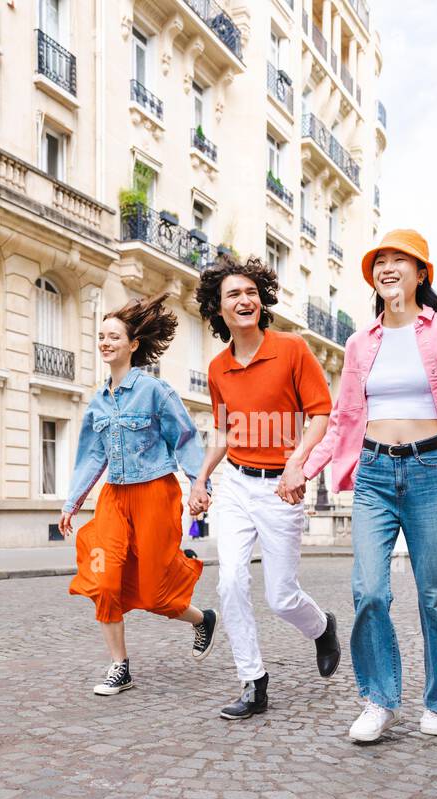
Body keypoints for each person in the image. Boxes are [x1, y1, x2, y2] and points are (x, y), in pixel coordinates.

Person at [302, 230, 437, 743]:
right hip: (375, 474)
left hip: (431, 472)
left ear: (421, 273)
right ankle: (379, 698)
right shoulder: (360, 343)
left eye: (399, 260)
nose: (387, 267)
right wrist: (305, 467)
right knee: (369, 590)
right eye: (379, 261)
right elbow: (342, 420)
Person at [189, 256, 341, 720]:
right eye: (233, 294)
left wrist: (298, 463)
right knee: (229, 581)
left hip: (281, 489)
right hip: (235, 484)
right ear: (218, 308)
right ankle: (252, 681)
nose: (244, 300)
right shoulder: (217, 368)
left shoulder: (292, 349)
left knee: (281, 596)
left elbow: (320, 414)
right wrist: (200, 479)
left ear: (262, 300)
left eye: (251, 292)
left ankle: (321, 628)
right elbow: (222, 431)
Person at [60, 293, 217, 696]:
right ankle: (119, 666)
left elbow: (184, 439)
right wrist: (72, 501)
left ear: (133, 344)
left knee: (155, 591)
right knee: (104, 579)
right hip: (115, 497)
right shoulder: (98, 400)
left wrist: (200, 485)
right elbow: (91, 455)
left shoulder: (154, 391)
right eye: (101, 336)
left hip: (155, 493)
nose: (105, 343)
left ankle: (202, 620)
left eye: (114, 336)